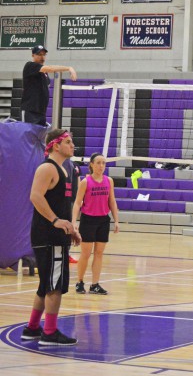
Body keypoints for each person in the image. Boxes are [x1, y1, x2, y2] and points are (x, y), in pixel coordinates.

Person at [22, 129, 81, 345]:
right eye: (68, 142)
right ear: (56, 145)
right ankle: (50, 332)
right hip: (49, 236)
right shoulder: (48, 168)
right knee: (55, 286)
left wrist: (71, 228)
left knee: (45, 284)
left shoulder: (64, 169)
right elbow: (35, 196)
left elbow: (61, 205)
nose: (72, 145)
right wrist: (56, 221)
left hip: (56, 235)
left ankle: (32, 328)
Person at [71, 153, 119, 295]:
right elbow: (77, 203)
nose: (101, 166)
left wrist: (116, 220)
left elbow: (112, 201)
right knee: (86, 253)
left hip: (103, 220)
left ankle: (95, 285)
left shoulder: (109, 181)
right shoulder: (85, 182)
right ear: (91, 164)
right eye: (98, 163)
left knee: (99, 253)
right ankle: (80, 282)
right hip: (88, 220)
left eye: (103, 163)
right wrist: (74, 222)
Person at [21, 46, 77, 126]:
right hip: (30, 112)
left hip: (41, 112)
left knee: (40, 134)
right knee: (28, 134)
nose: (42, 57)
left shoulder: (45, 74)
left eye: (44, 54)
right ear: (33, 55)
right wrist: (69, 68)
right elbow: (50, 68)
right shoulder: (30, 65)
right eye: (39, 54)